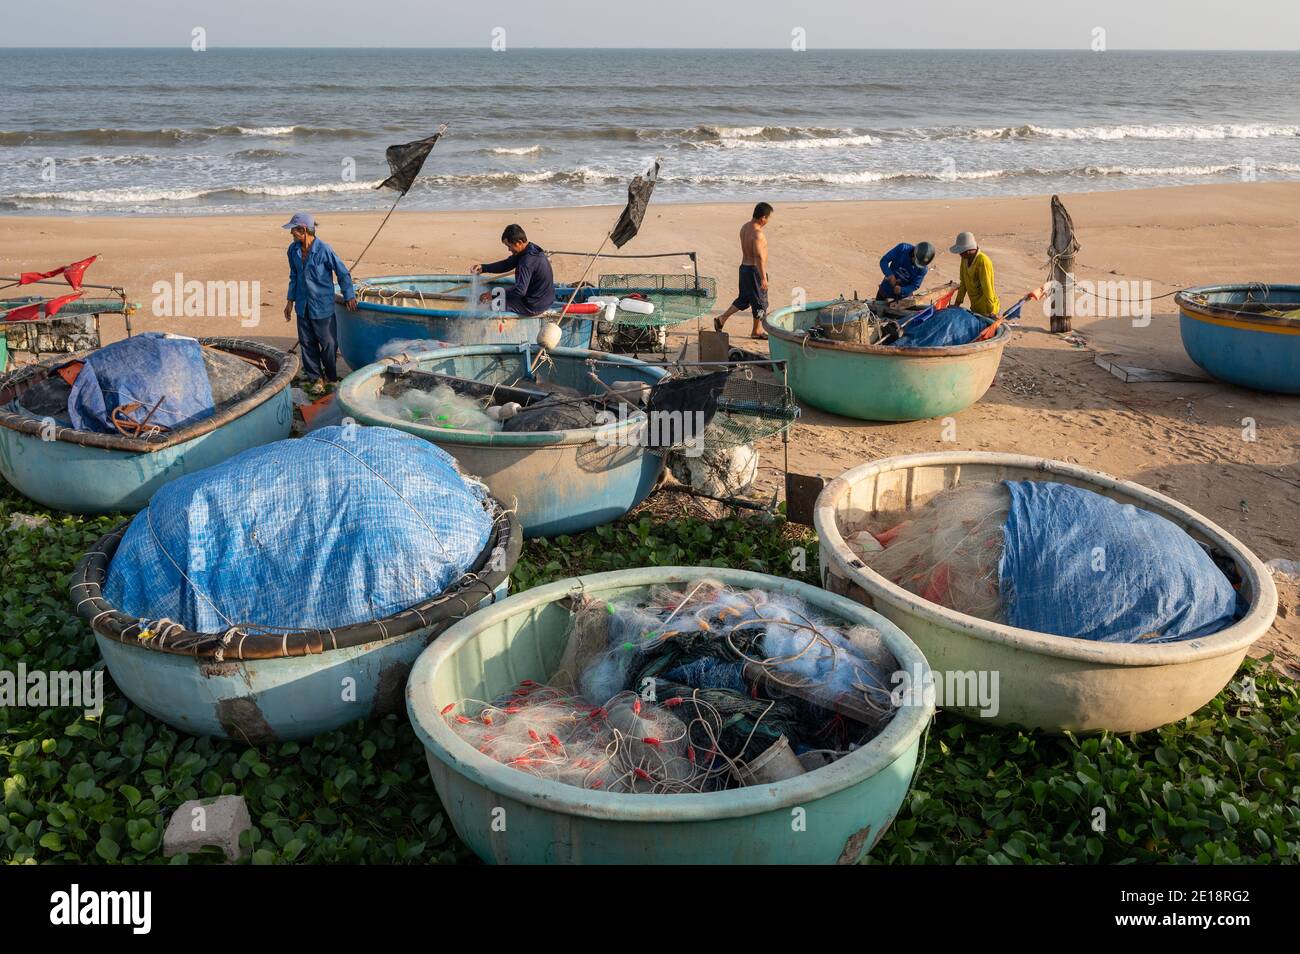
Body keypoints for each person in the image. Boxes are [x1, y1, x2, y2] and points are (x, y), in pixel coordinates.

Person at [282, 212, 356, 388]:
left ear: (304, 230)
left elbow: (343, 273)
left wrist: (349, 295)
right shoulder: (292, 250)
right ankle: (316, 378)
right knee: (307, 343)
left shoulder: (324, 249)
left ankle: (330, 376)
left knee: (329, 343)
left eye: (294, 230)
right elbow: (294, 275)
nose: (291, 233)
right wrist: (290, 300)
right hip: (302, 305)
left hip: (322, 306)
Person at [714, 202, 772, 340]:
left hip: (744, 268)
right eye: (768, 218)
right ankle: (756, 331)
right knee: (760, 303)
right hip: (754, 271)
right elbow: (758, 257)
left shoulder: (745, 227)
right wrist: (763, 277)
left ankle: (722, 319)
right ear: (763, 217)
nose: (768, 221)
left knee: (744, 299)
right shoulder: (758, 234)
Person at [471, 224, 555, 316]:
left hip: (534, 305)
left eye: (509, 246)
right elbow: (507, 264)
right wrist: (484, 268)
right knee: (500, 294)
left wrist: (493, 295)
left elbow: (520, 291)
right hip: (546, 299)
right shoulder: (530, 248)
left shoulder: (526, 262)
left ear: (519, 242)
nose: (509, 249)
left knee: (494, 304)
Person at [949, 231, 1000, 317]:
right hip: (975, 307)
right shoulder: (964, 259)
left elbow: (988, 288)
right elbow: (963, 283)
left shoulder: (983, 261)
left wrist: (991, 312)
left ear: (968, 250)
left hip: (987, 309)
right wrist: (957, 304)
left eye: (961, 252)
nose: (959, 254)